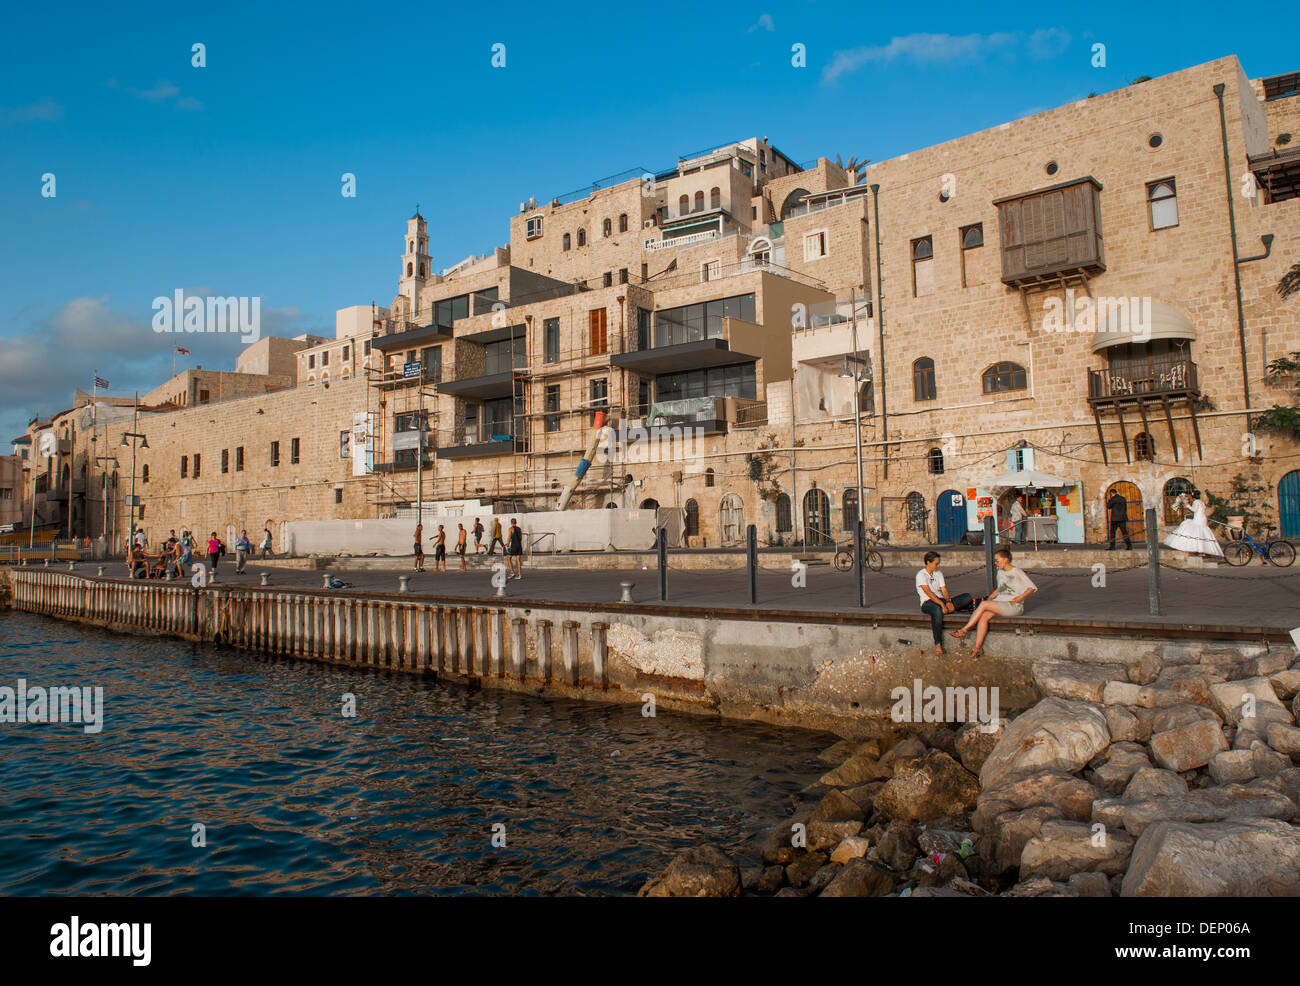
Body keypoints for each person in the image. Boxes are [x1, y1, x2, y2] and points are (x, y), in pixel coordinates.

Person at [951, 548, 1037, 659]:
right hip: (1001, 603)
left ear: (1006, 560)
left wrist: (1019, 598)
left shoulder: (1016, 572)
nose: (995, 563)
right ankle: (977, 648)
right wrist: (991, 597)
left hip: (1014, 606)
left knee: (983, 605)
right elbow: (1001, 588)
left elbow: (1032, 588)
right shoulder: (1000, 572)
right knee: (984, 616)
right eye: (995, 561)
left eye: (997, 560)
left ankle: (964, 630)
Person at [916, 551, 973, 656]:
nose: (938, 566)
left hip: (941, 600)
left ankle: (950, 609)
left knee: (967, 597)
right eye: (936, 564)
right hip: (928, 602)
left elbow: (944, 589)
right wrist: (942, 605)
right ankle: (938, 644)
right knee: (937, 611)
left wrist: (948, 602)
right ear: (928, 562)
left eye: (939, 563)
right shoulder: (921, 575)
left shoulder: (939, 573)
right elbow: (928, 593)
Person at [1163, 488, 1223, 558]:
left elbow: (1194, 510)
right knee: (1202, 533)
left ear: (1193, 496)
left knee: (1189, 528)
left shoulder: (1196, 502)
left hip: (1198, 519)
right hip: (1203, 518)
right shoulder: (1201, 502)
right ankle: (1202, 550)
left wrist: (1187, 505)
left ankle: (1195, 548)